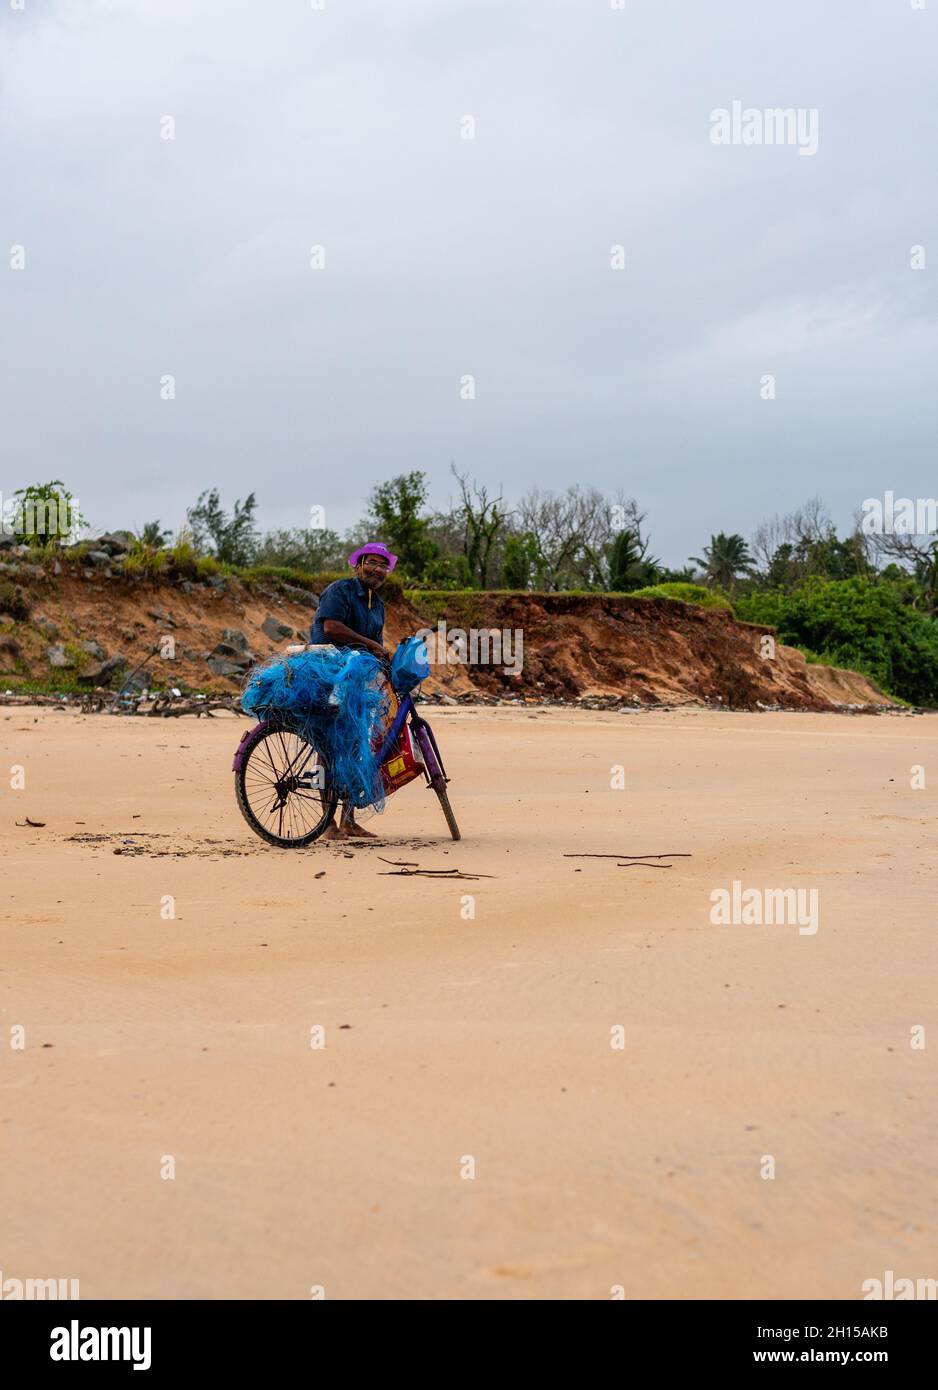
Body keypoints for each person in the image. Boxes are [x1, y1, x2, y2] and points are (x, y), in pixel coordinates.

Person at [310, 543, 396, 839]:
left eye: (383, 566)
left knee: (358, 744)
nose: (377, 570)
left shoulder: (378, 605)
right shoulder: (340, 591)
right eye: (372, 563)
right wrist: (372, 646)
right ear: (357, 565)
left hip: (358, 679)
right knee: (329, 746)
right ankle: (327, 823)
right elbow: (332, 628)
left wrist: (387, 668)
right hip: (328, 672)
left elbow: (377, 647)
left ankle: (348, 820)